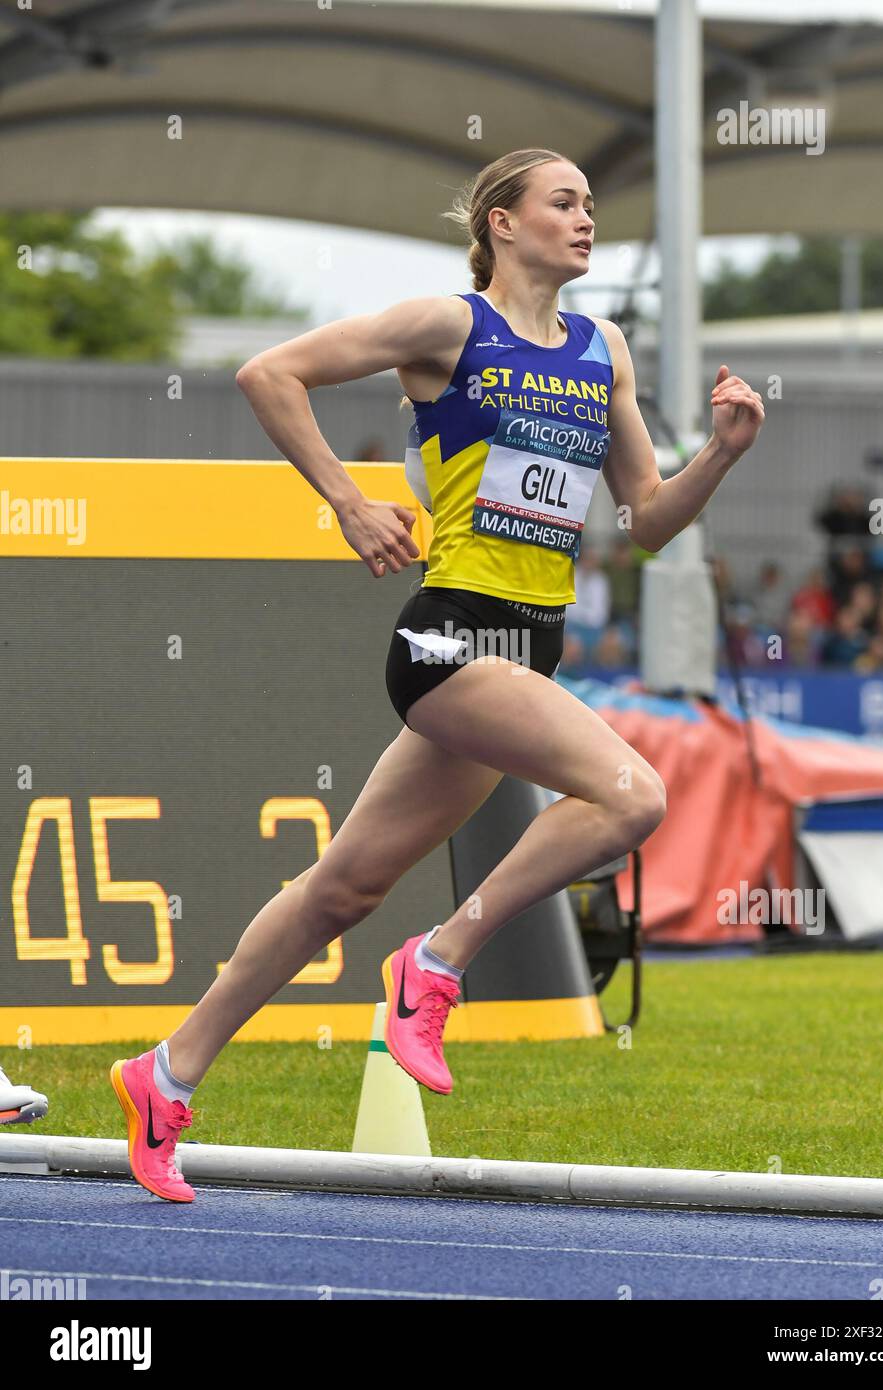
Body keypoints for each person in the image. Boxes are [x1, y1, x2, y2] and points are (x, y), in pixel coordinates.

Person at [109, 147, 764, 1203]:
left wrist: (720, 455)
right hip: (452, 638)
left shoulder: (602, 349)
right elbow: (268, 373)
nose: (586, 220)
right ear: (502, 222)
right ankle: (438, 961)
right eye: (563, 202)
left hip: (531, 646)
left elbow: (645, 520)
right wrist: (347, 500)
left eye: (591, 205)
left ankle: (166, 1074)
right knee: (632, 795)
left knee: (343, 888)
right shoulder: (447, 326)